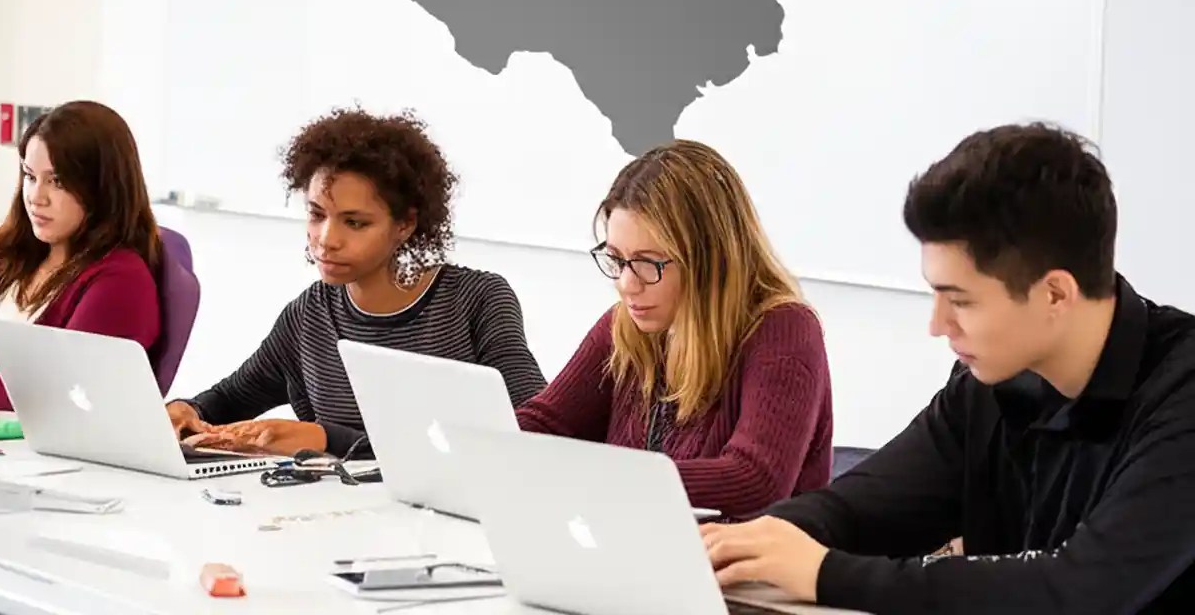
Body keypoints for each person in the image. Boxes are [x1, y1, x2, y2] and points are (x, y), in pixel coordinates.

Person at [702, 123, 1195, 614]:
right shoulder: (989, 383)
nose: (938, 326)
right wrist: (742, 544)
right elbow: (863, 507)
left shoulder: (1182, 389)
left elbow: (1082, 589)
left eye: (960, 301)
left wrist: (824, 573)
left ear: (1054, 294)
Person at [171, 107, 547, 458]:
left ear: (405, 225)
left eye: (355, 223)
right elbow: (230, 397)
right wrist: (187, 409)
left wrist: (328, 439)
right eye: (317, 215)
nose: (326, 238)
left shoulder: (477, 302)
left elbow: (530, 435)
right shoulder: (309, 315)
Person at [516, 140, 833, 520]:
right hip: (639, 550)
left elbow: (754, 479)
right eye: (616, 259)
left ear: (711, 261)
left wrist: (603, 479)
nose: (626, 285)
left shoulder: (785, 331)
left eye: (649, 263)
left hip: (744, 573)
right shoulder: (625, 326)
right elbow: (546, 423)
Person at [0, 101, 163, 410]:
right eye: (30, 176)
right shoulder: (8, 250)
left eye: (57, 181)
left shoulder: (121, 281)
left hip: (34, 452)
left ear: (103, 188)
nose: (36, 197)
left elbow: (49, 392)